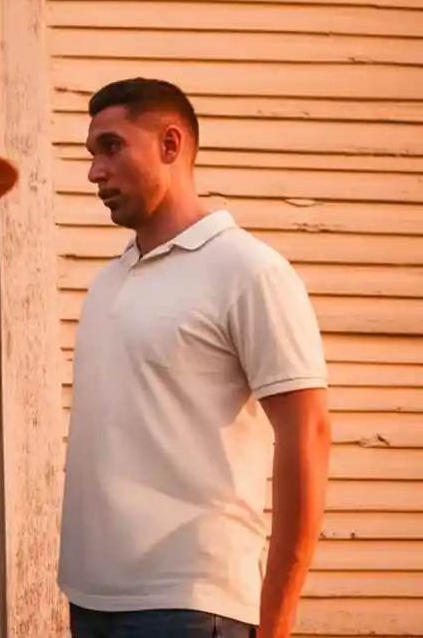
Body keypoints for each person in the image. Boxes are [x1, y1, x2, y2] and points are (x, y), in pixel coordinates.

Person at [58, 78, 332, 638]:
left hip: (194, 606)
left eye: (111, 147)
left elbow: (308, 434)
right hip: (90, 601)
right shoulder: (109, 281)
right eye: (91, 155)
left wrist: (276, 621)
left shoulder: (248, 271)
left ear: (171, 144)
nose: (95, 172)